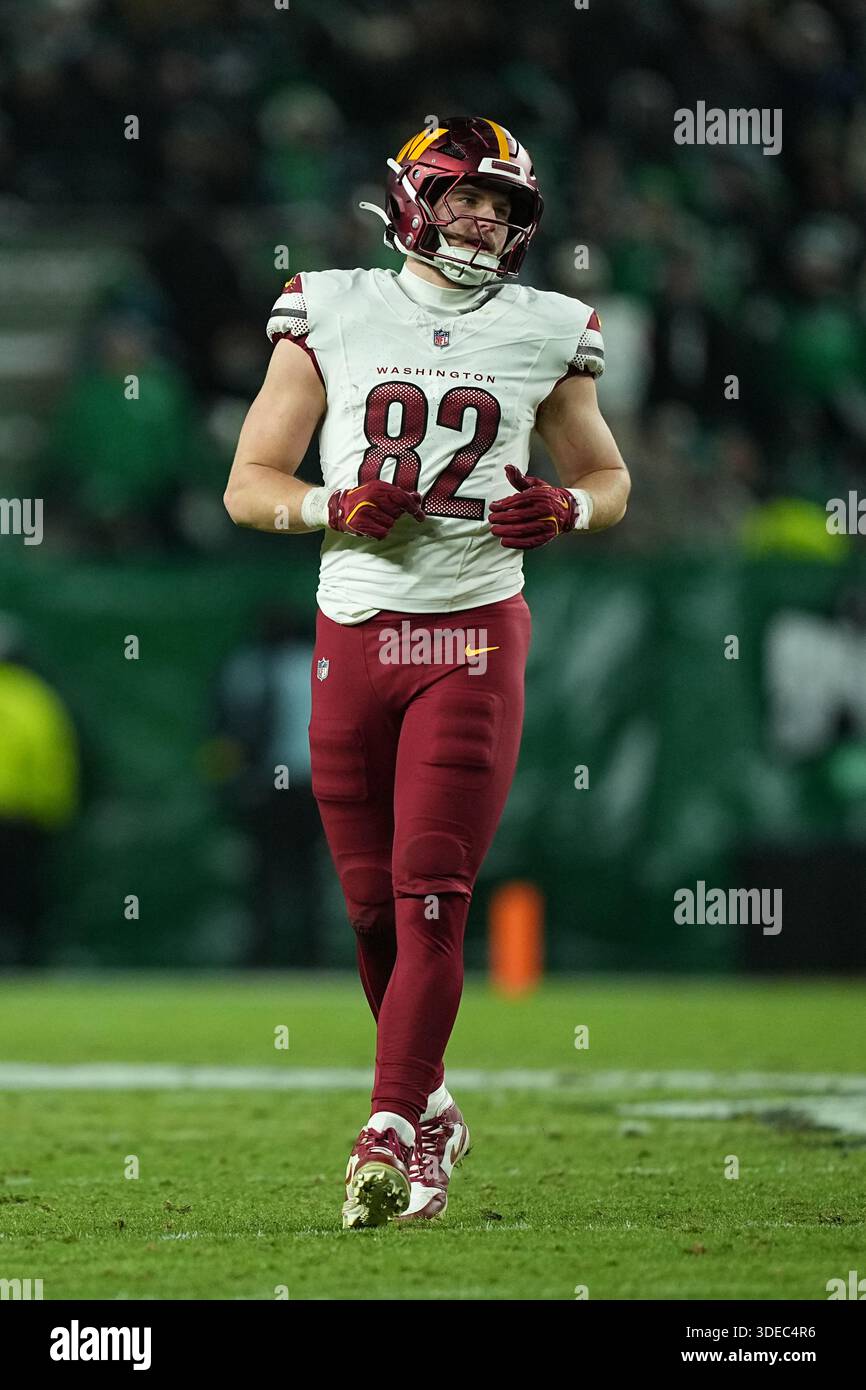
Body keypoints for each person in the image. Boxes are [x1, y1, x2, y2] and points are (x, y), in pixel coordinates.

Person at [224, 116, 630, 1228]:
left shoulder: (549, 327)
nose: (485, 221)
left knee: (432, 899)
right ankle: (437, 1102)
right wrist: (326, 504)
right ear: (414, 197)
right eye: (465, 199)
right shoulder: (331, 305)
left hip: (467, 635)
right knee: (368, 912)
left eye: (502, 207)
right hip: (354, 632)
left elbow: (606, 473)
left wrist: (573, 505)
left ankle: (391, 1129)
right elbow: (249, 480)